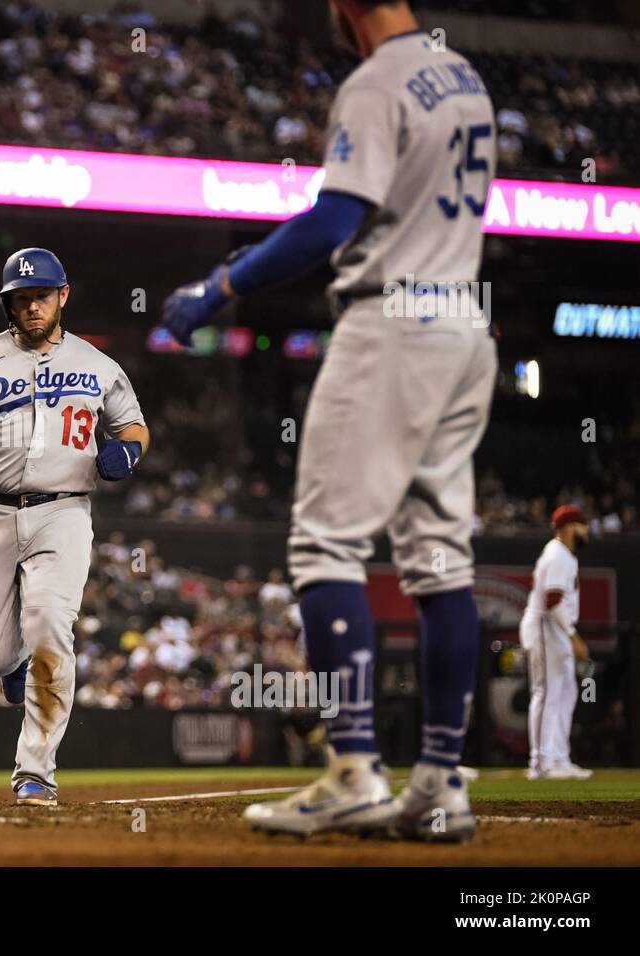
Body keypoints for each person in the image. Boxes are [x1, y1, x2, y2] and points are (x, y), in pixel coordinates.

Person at [160, 0, 496, 841]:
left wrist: (222, 285)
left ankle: (352, 767)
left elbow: (333, 220)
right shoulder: (467, 79)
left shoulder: (378, 81)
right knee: (439, 559)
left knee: (325, 547)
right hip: (465, 324)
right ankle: (443, 784)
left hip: (395, 325)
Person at [0, 247, 149, 806]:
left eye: (40, 296)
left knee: (50, 622)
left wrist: (127, 454)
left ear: (62, 295)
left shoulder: (98, 365)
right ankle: (13, 662)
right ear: (8, 303)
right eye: (20, 299)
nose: (31, 307)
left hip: (63, 512)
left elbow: (135, 427)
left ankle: (35, 771)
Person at [520, 505, 593, 780]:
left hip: (556, 630)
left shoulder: (565, 555)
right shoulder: (558, 553)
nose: (586, 531)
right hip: (546, 627)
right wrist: (573, 636)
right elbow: (552, 602)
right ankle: (541, 763)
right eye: (582, 525)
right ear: (570, 527)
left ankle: (559, 758)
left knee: (567, 692)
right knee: (547, 692)